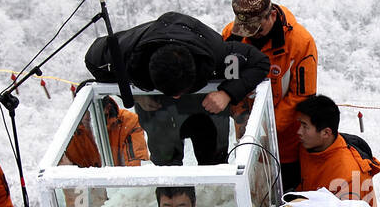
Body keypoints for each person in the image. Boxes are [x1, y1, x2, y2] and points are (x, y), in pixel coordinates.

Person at [84, 11, 271, 166]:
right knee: (166, 165)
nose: (175, 97)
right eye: (169, 93)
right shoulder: (126, 51)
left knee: (213, 162)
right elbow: (91, 60)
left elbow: (260, 63)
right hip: (158, 114)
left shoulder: (215, 53)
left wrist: (227, 93)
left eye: (179, 93)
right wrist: (135, 93)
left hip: (206, 110)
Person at [222, 0, 318, 192]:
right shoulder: (231, 36)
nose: (251, 34)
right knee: (254, 198)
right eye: (246, 29)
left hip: (287, 146)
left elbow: (302, 97)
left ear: (271, 14)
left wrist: (264, 127)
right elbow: (229, 83)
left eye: (256, 29)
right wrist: (243, 121)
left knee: (287, 197)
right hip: (248, 142)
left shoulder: (301, 44)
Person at [293, 95, 380, 207]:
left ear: (326, 133)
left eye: (305, 126)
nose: (299, 132)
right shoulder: (308, 146)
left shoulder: (349, 177)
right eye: (300, 124)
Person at [62, 93, 150, 168]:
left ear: (107, 108)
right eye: (83, 111)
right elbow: (65, 170)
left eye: (91, 112)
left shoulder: (129, 122)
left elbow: (135, 165)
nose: (87, 117)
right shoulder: (71, 133)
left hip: (119, 183)